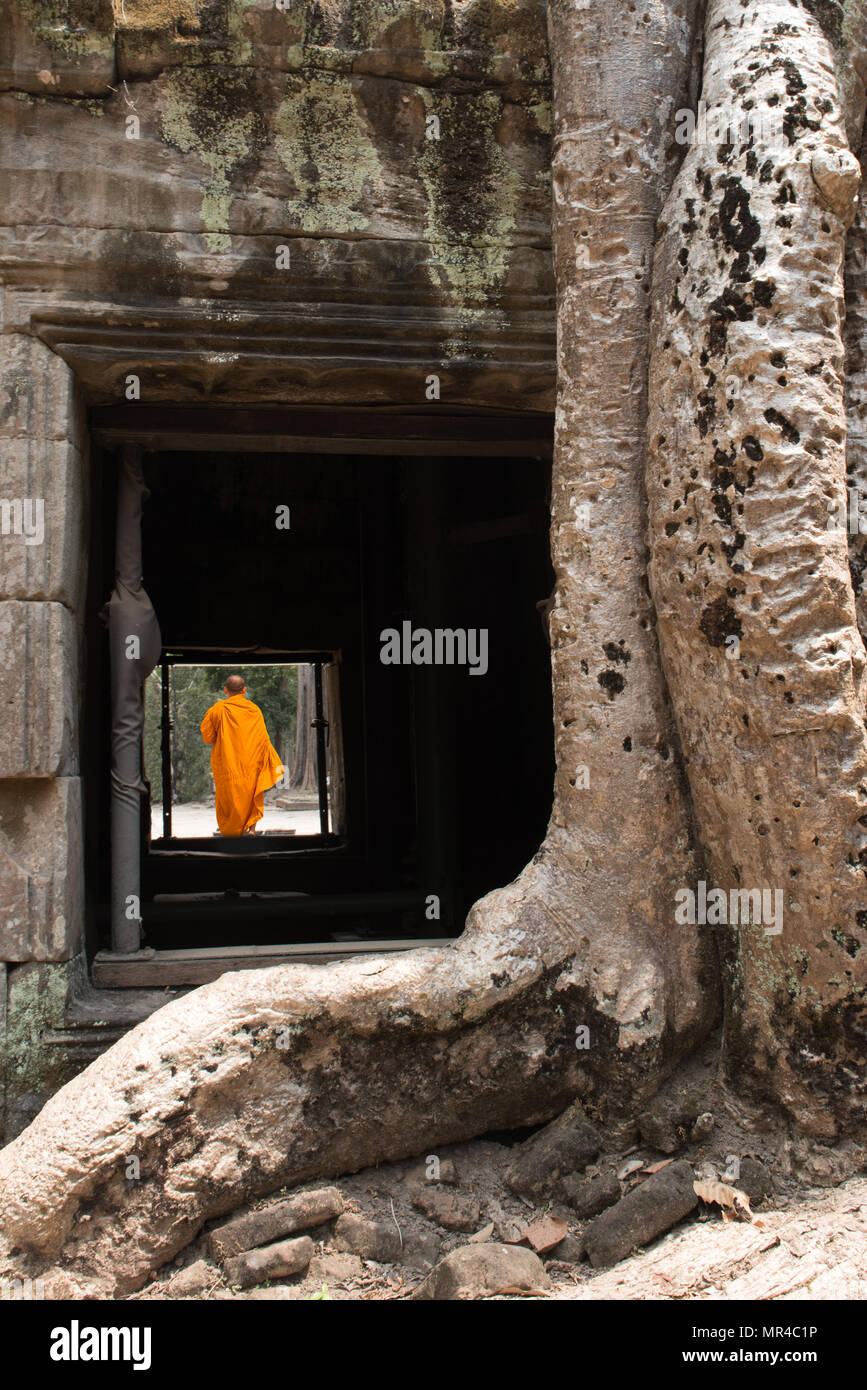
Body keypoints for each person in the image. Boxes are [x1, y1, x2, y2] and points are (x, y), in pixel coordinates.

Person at [200, 674, 283, 836]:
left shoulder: (217, 710)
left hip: (227, 763)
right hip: (251, 762)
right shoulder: (253, 710)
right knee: (251, 795)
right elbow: (263, 739)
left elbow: (208, 737)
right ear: (244, 690)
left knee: (228, 798)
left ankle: (231, 831)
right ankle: (252, 828)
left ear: (225, 690)